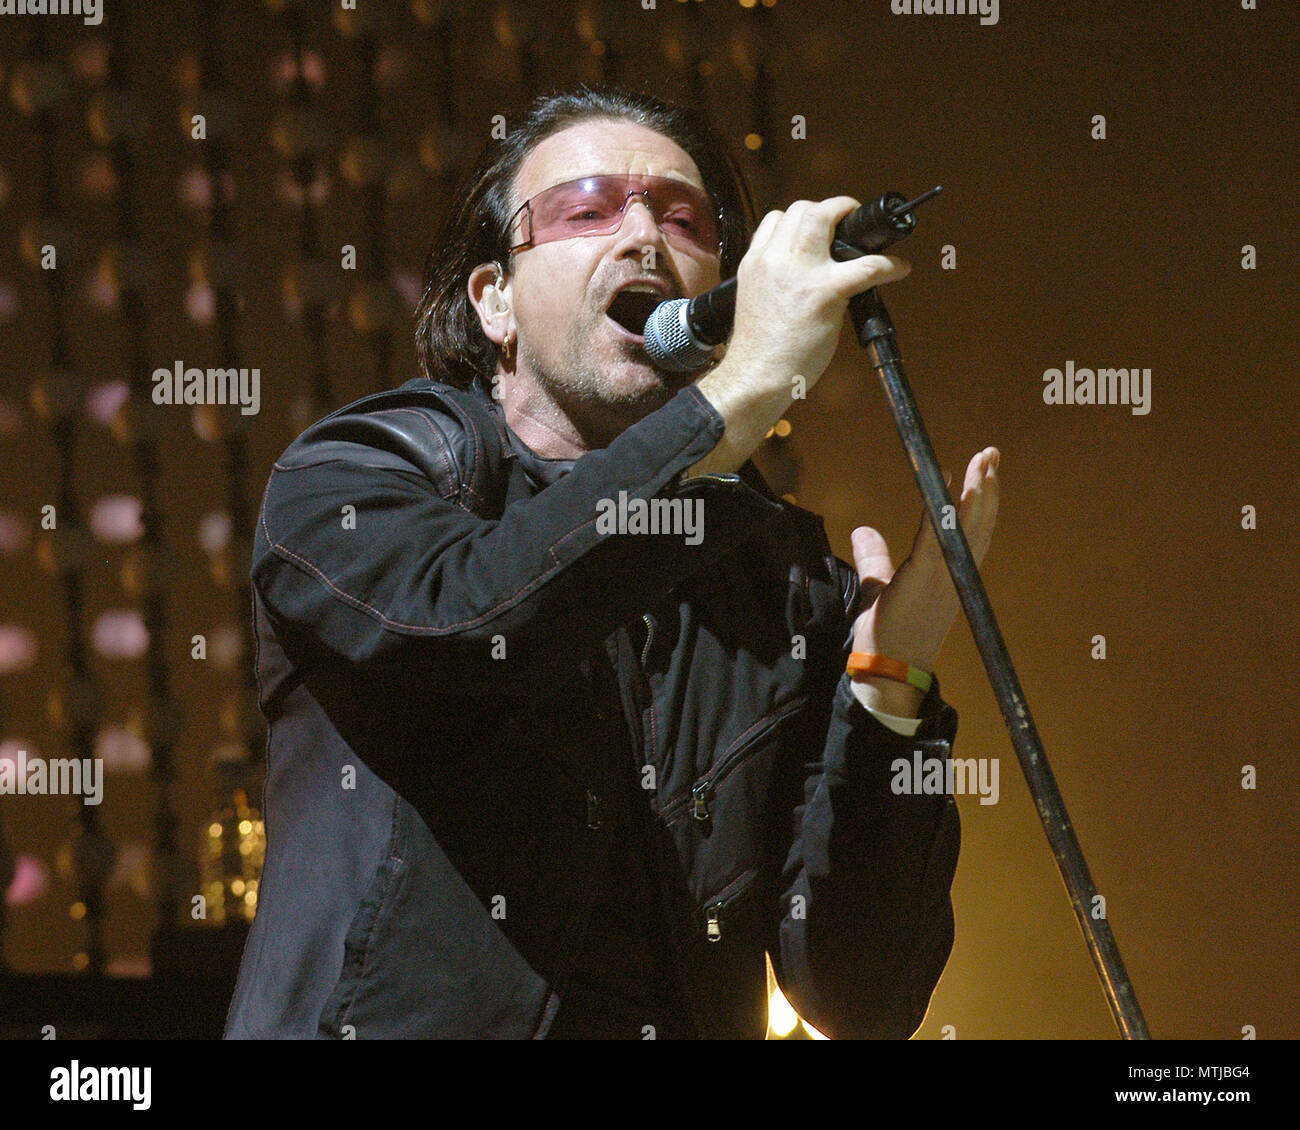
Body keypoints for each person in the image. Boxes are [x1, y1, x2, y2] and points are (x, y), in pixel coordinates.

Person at [223, 84, 999, 1040]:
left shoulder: (773, 572)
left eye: (685, 217)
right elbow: (471, 621)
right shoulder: (364, 474)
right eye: (586, 208)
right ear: (494, 299)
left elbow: (858, 997)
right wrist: (740, 393)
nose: (644, 236)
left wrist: (889, 685)